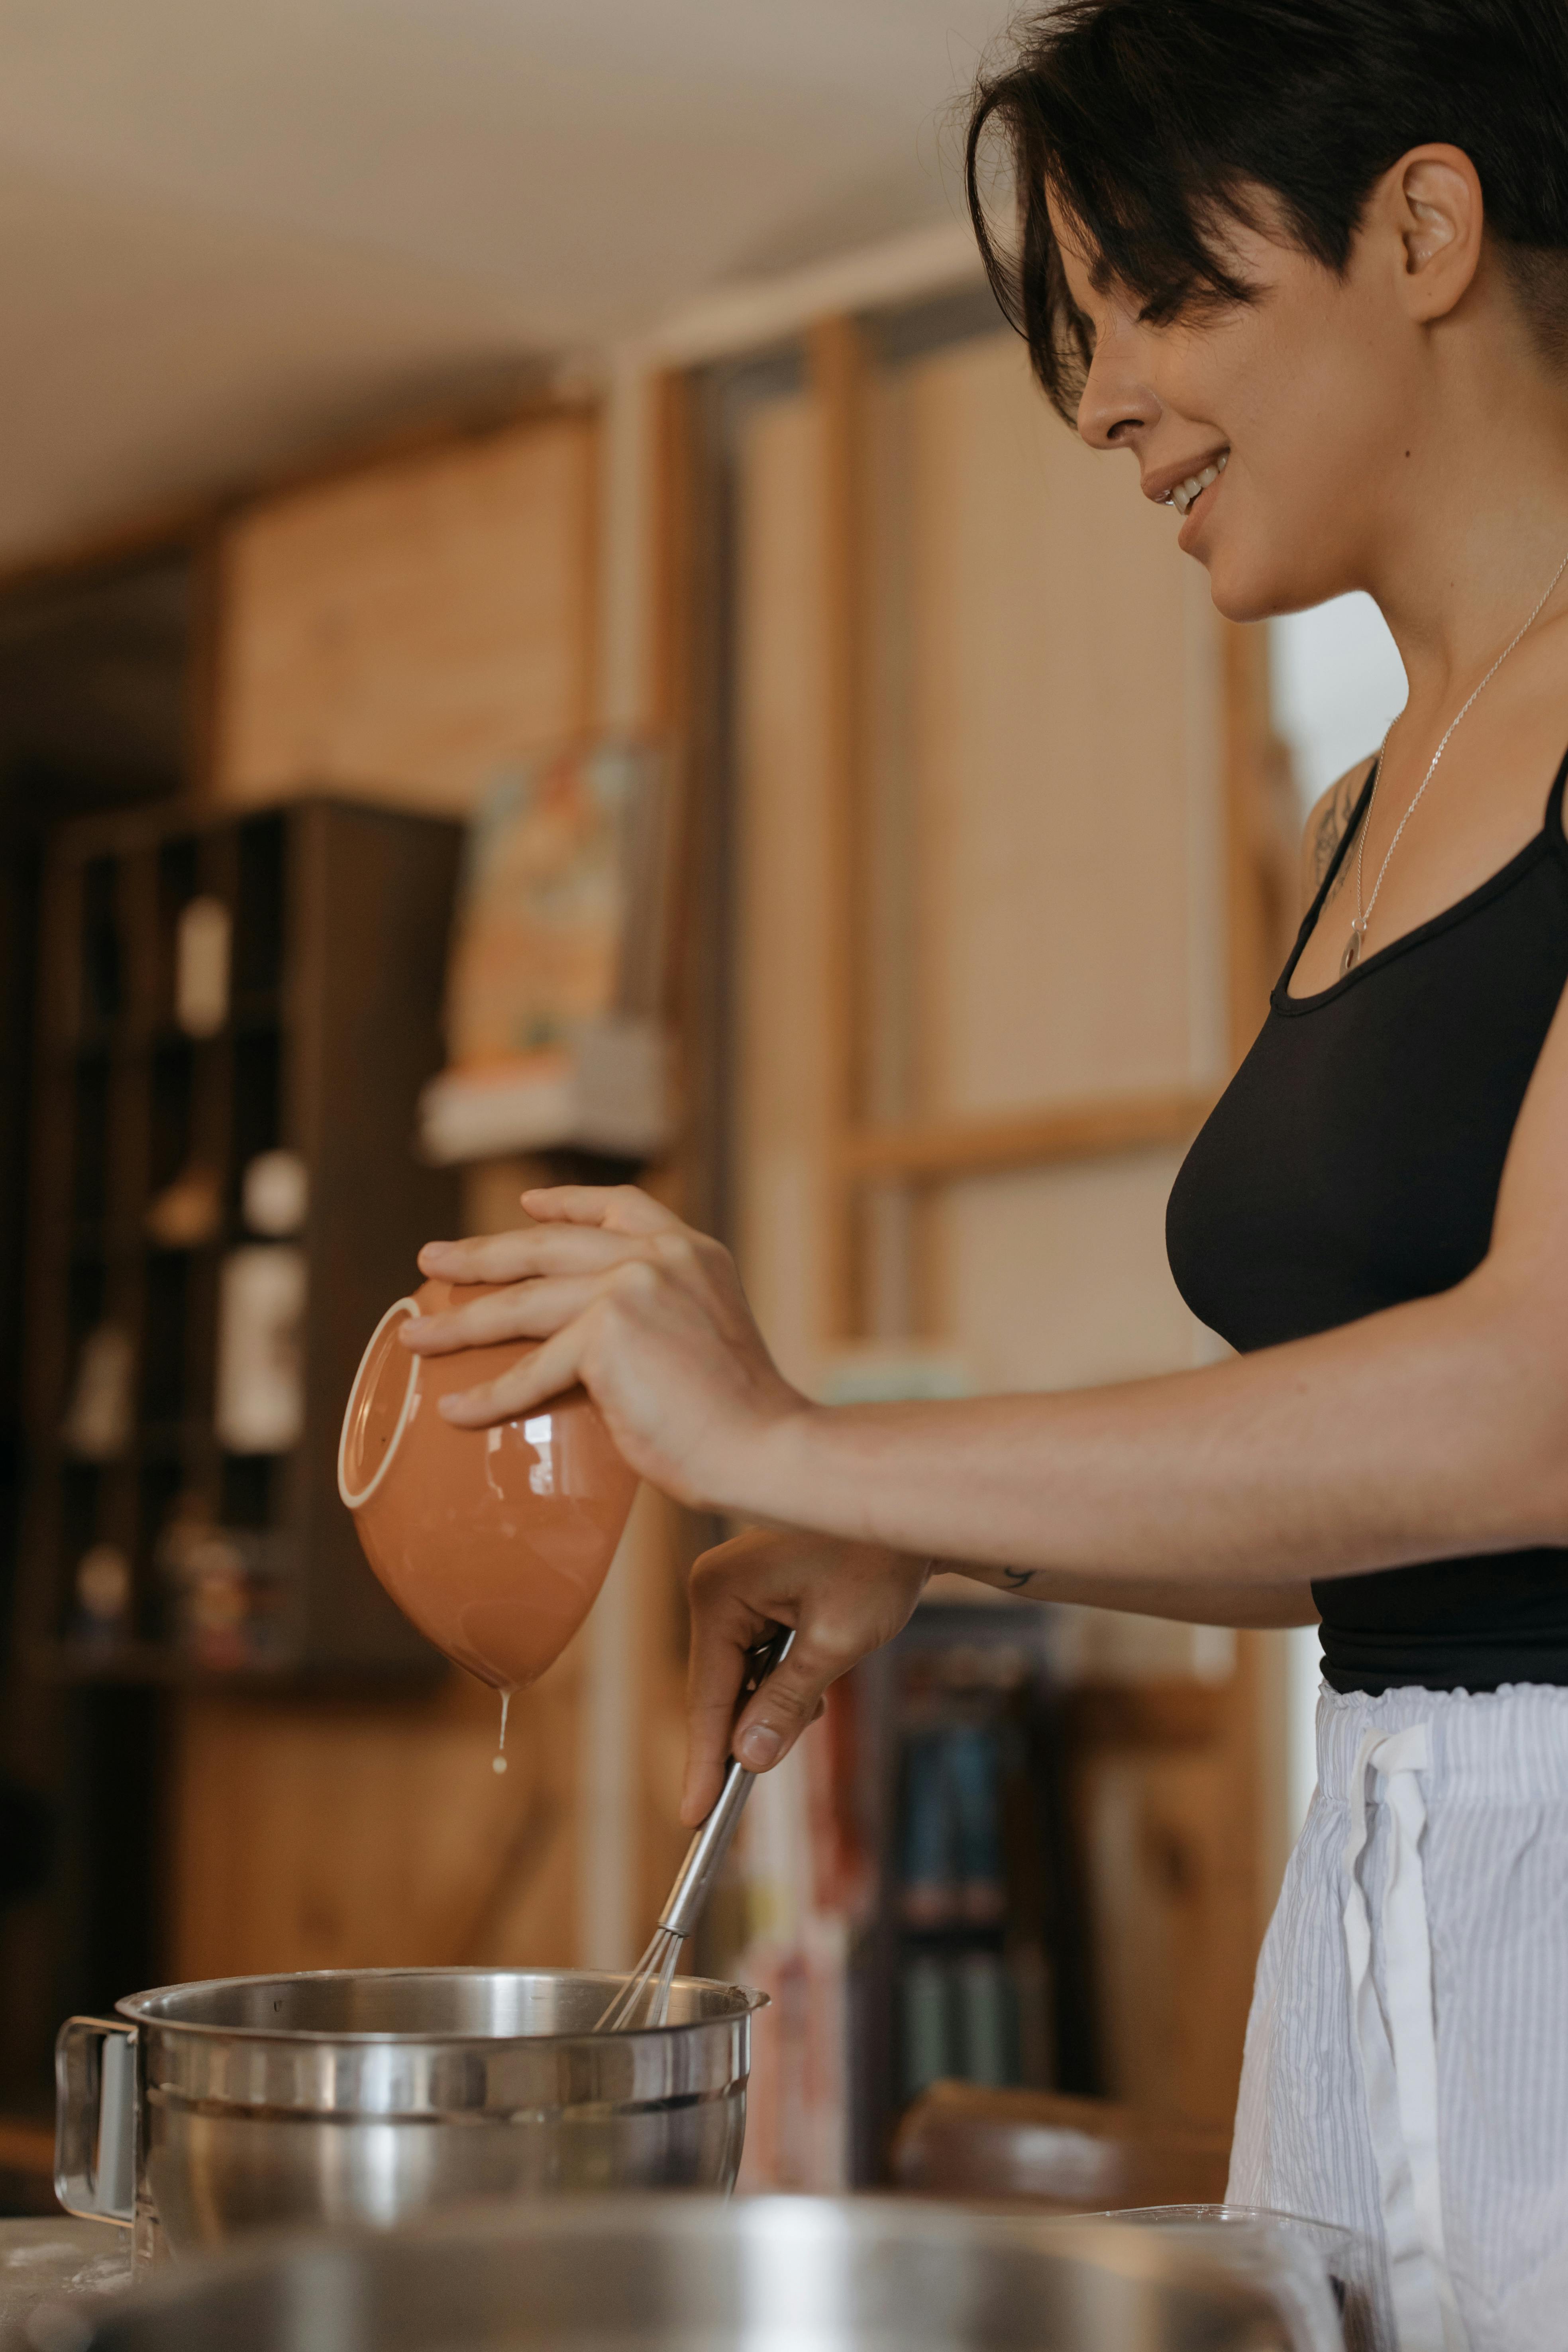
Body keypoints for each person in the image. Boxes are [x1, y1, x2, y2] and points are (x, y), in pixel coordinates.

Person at [401, 4, 1568, 2342]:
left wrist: (797, 1440)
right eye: (1079, 330)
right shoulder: (1358, 816)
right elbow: (1414, 1540)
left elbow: (1531, 1411)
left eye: (1151, 296)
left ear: (1423, 228)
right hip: (1386, 1917)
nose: (1103, 397)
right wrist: (920, 1528)